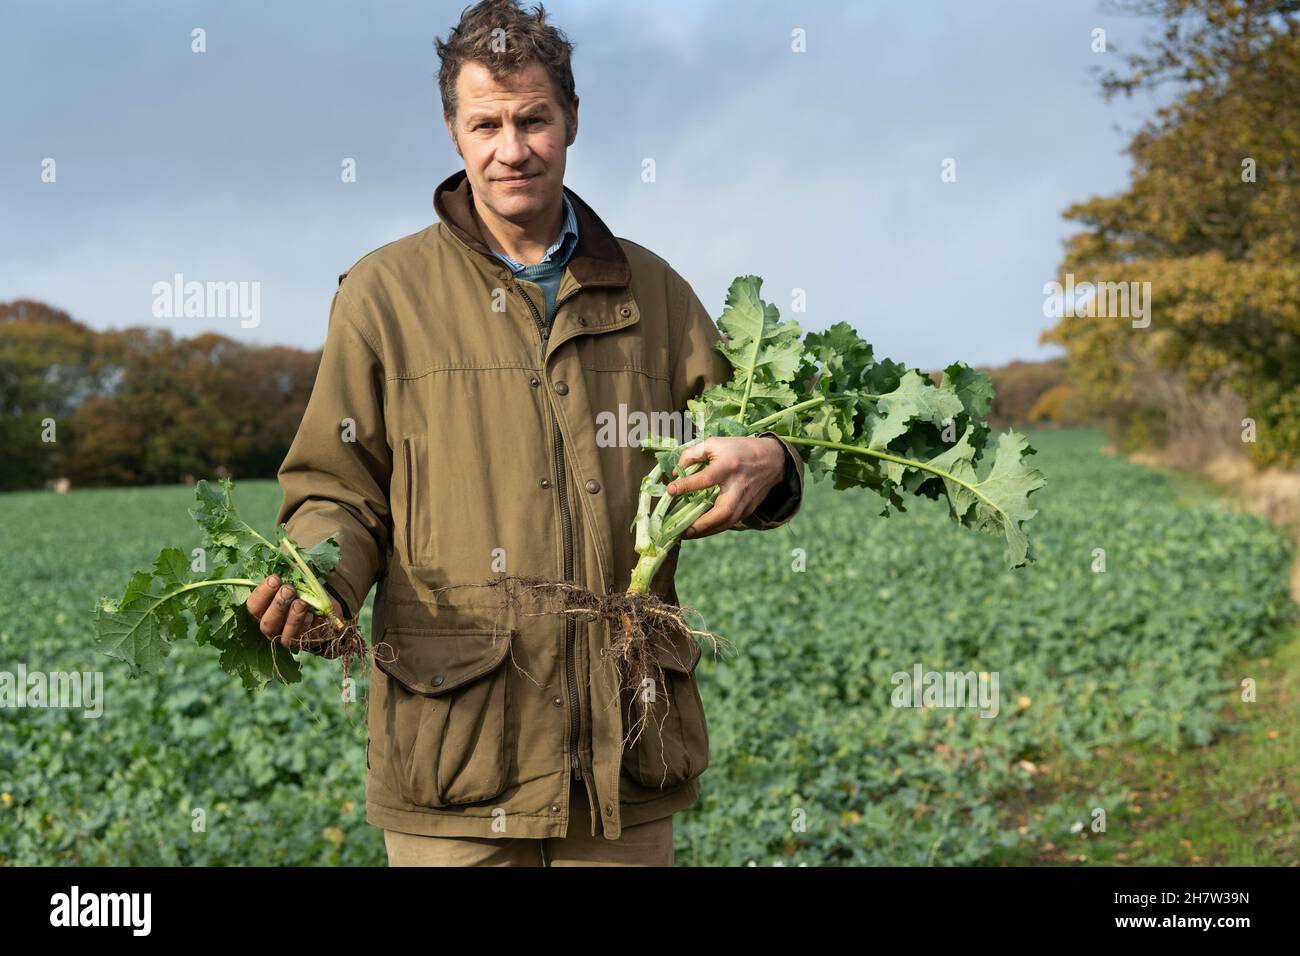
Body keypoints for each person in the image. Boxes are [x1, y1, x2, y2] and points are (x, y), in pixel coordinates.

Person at [246, 0, 803, 867]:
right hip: (458, 752)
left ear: (572, 118)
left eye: (534, 119)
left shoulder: (655, 294)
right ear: (453, 131)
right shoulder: (383, 296)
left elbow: (765, 424)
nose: (513, 149)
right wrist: (322, 576)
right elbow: (335, 488)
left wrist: (773, 461)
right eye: (488, 124)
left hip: (624, 748)